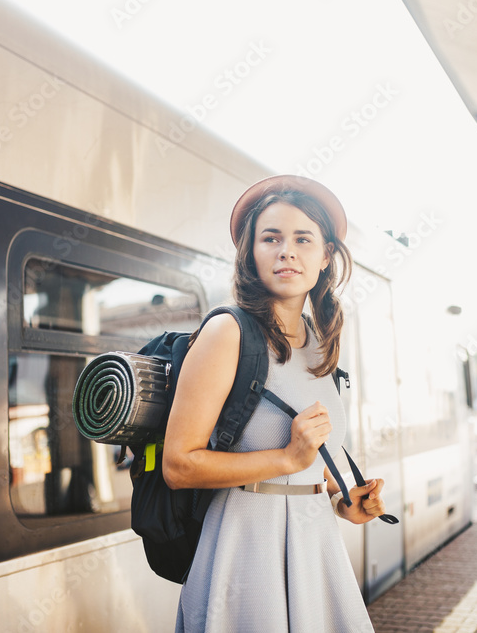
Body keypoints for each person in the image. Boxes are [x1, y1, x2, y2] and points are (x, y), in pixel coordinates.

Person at [163, 175, 386, 632]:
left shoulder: (321, 342)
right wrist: (286, 457)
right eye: (271, 238)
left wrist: (342, 501)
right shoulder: (228, 332)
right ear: (252, 254)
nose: (287, 251)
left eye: (303, 239)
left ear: (325, 257)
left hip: (315, 546)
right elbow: (179, 465)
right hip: (243, 552)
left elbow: (311, 464)